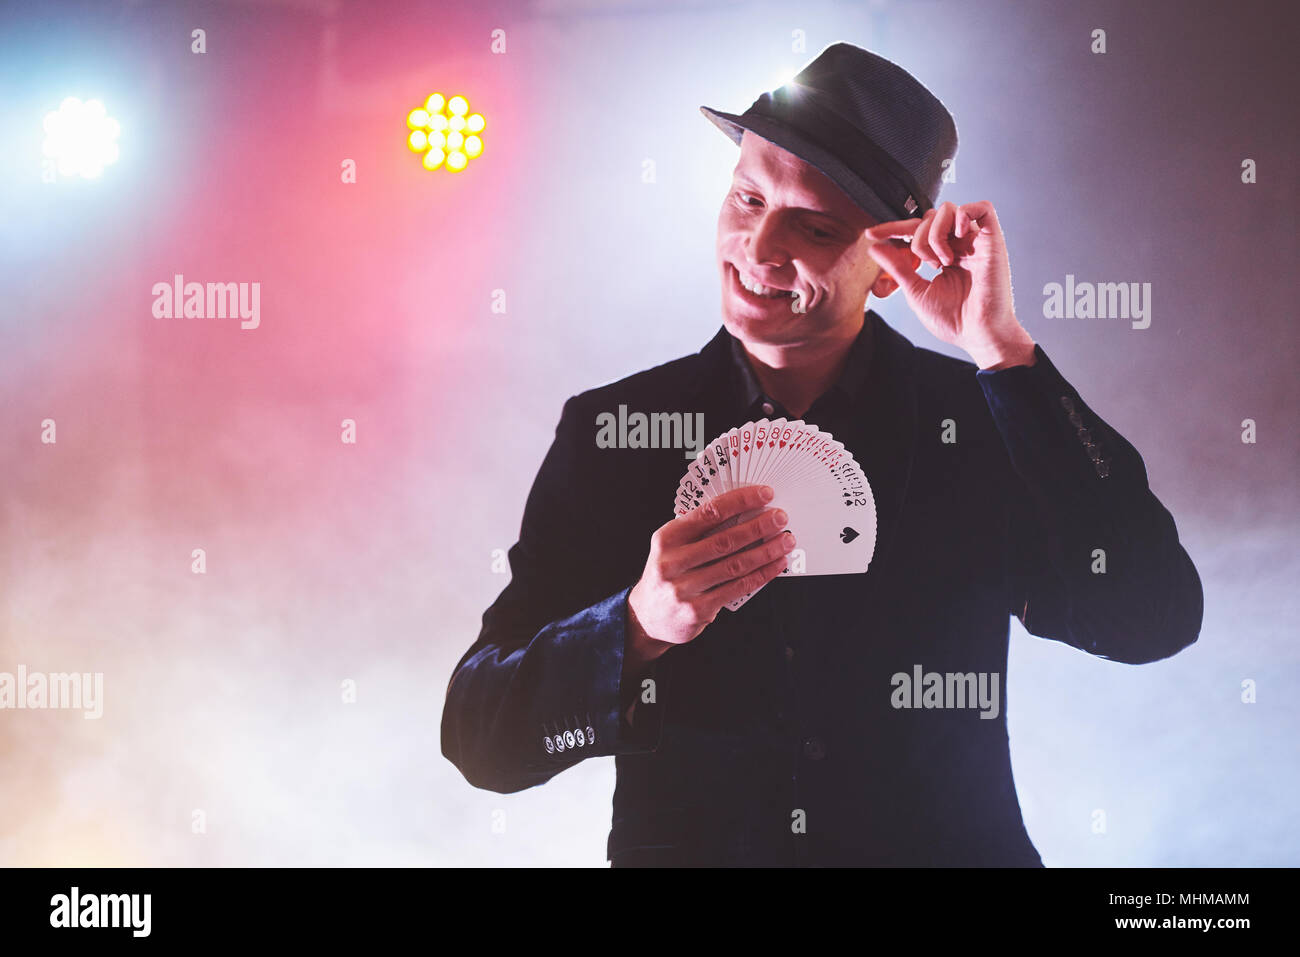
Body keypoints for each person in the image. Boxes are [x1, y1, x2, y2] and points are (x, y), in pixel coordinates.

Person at [441, 43, 1203, 866]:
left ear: (887, 268)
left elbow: (1150, 618)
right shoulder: (612, 431)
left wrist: (1005, 353)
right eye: (747, 196)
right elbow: (481, 739)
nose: (760, 246)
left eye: (813, 225)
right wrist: (636, 627)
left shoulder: (982, 420)